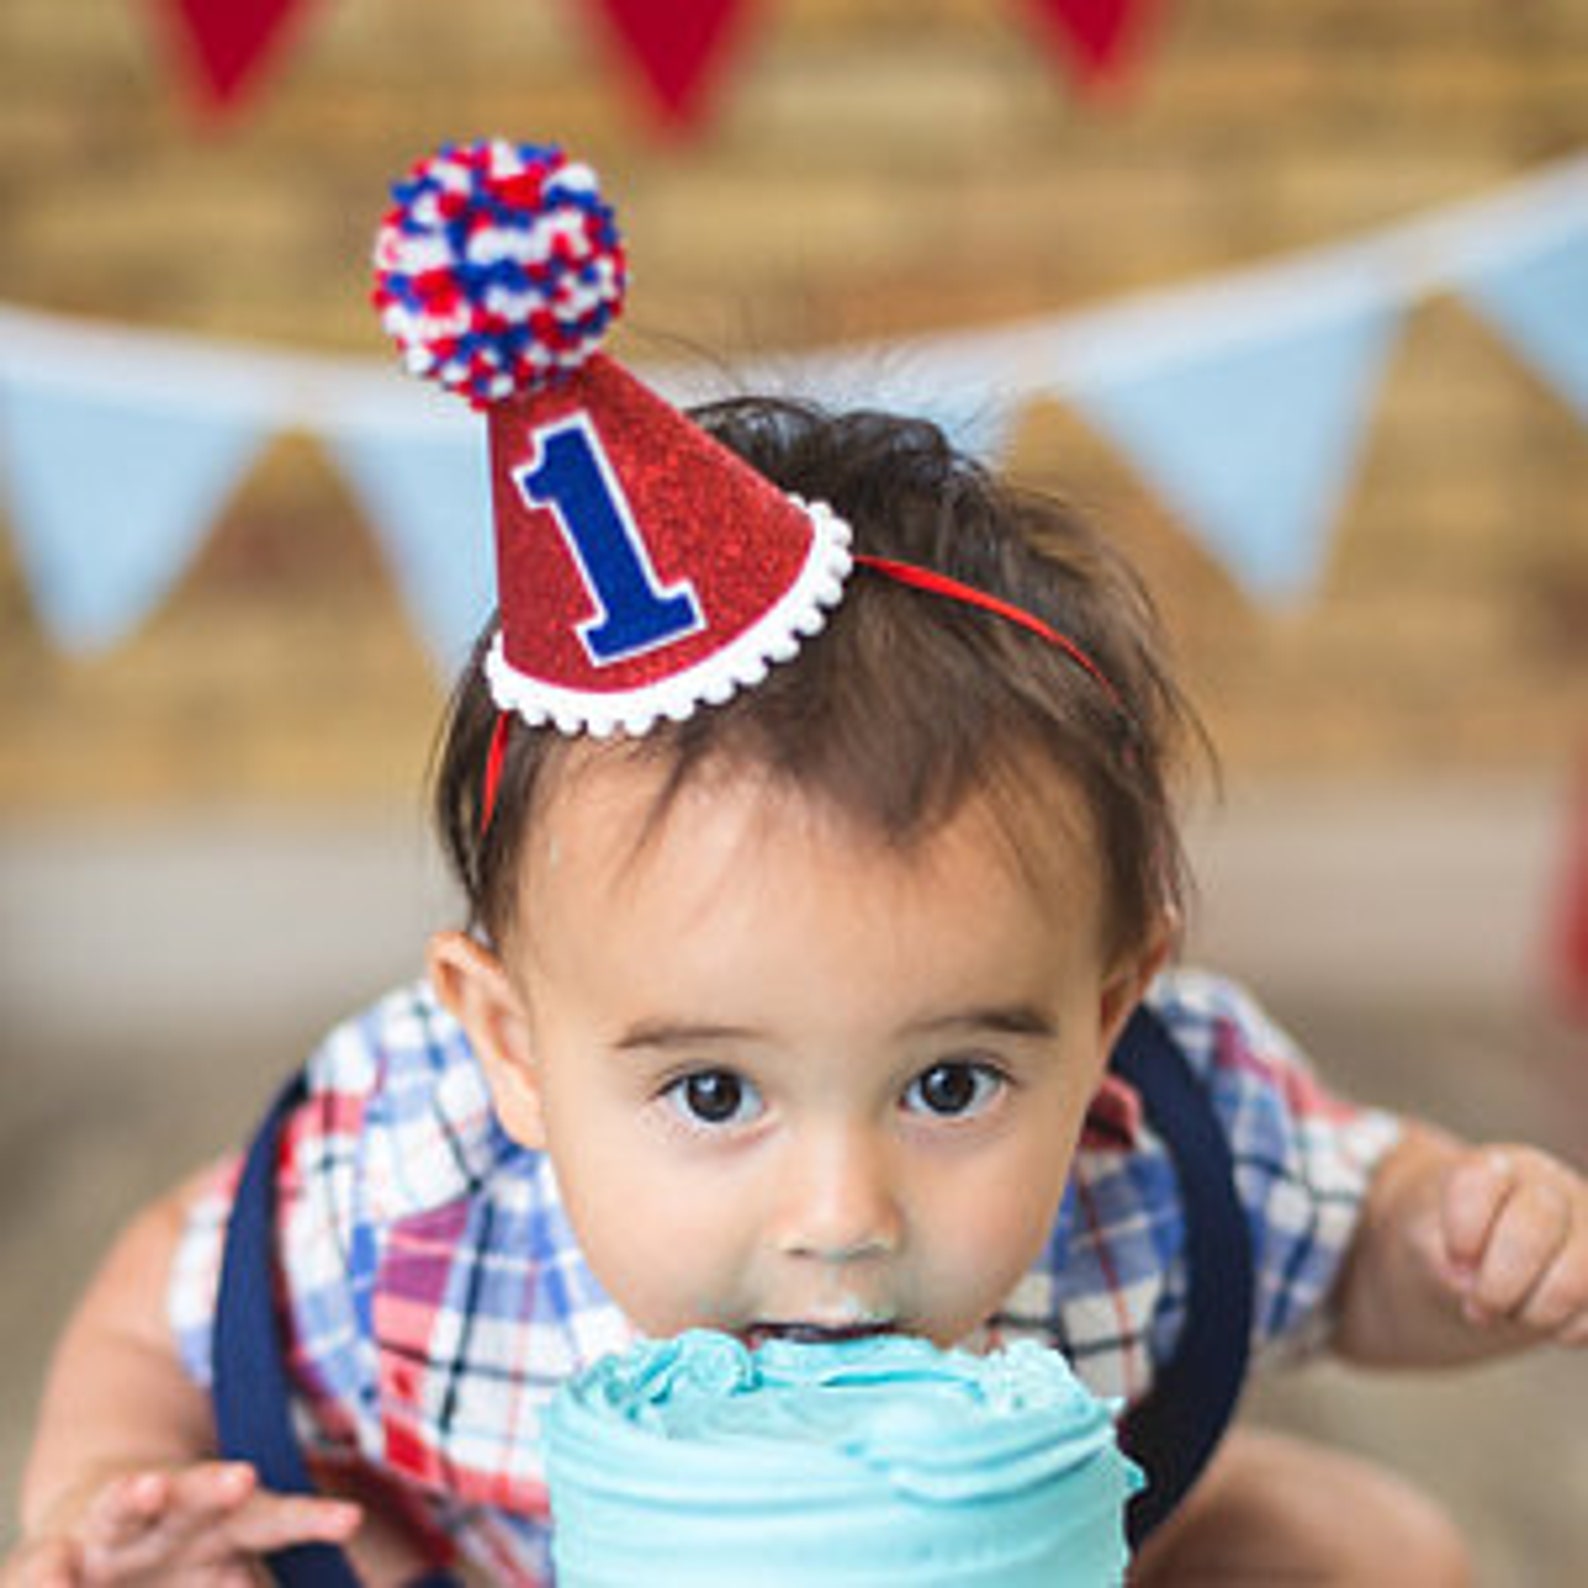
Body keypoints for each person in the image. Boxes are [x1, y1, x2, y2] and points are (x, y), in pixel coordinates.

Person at [5, 397, 1585, 1588]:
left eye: (952, 1084)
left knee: (1361, 1539)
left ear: (1109, 1009)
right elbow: (175, 1289)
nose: (844, 1216)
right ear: (514, 1049)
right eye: (713, 1093)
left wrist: (1459, 1246)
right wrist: (109, 1480)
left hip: (1024, 1554)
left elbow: (1353, 1235)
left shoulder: (1154, 1150)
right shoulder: (418, 1196)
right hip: (517, 1563)